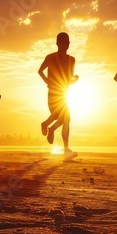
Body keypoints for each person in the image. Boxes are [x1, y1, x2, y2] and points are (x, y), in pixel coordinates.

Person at [39, 32, 78, 160]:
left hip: (63, 93)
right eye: (62, 42)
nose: (65, 45)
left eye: (67, 42)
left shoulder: (72, 60)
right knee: (59, 116)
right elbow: (40, 71)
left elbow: (68, 79)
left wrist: (75, 79)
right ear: (57, 43)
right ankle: (48, 127)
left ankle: (50, 128)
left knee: (65, 119)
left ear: (69, 44)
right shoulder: (50, 58)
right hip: (53, 93)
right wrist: (47, 82)